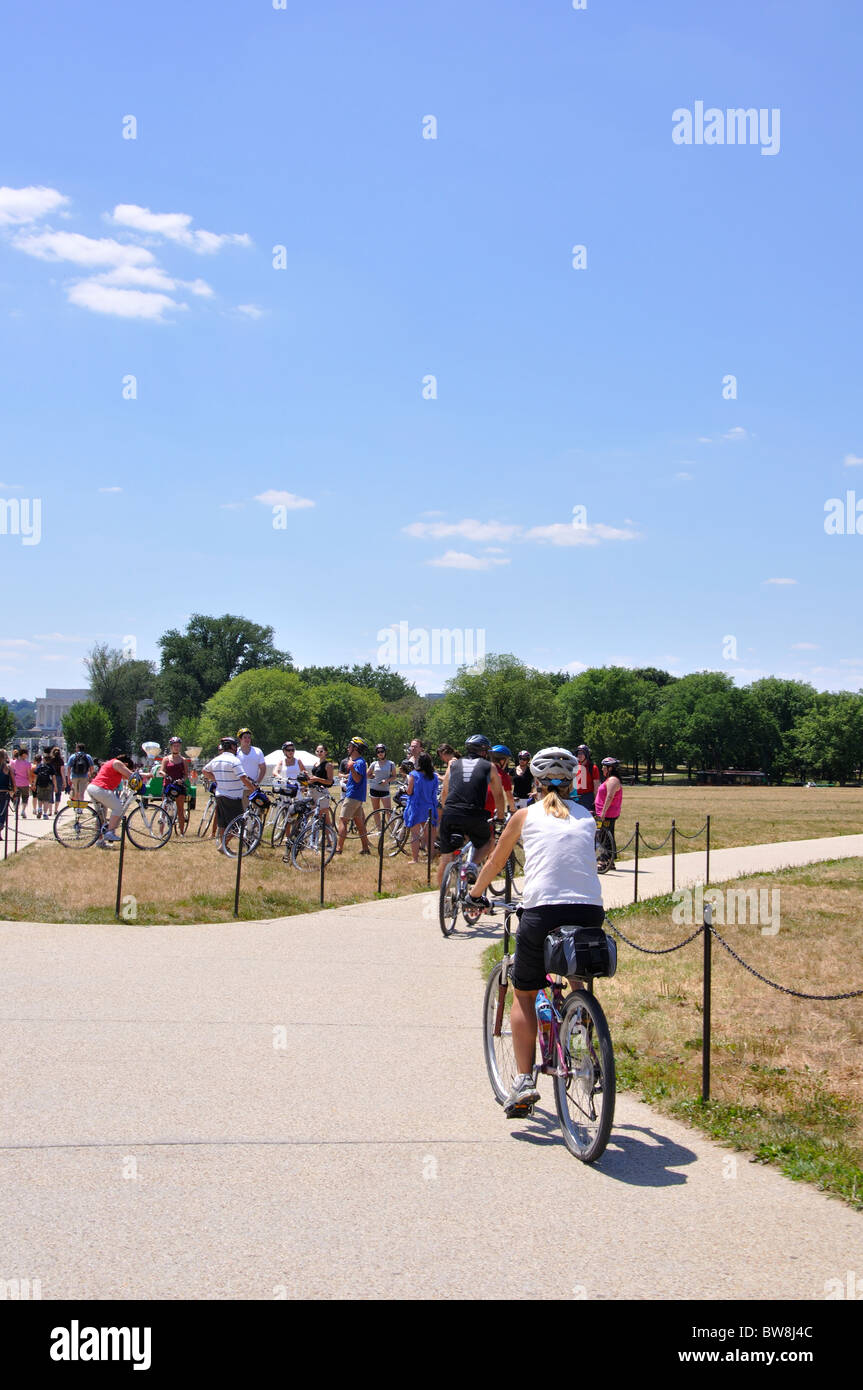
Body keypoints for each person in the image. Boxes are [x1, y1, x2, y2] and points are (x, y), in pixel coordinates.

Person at [467, 747, 605, 1117]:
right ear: (573, 781)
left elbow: (497, 860)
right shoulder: (587, 816)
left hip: (542, 909)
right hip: (590, 909)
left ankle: (524, 1081)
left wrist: (475, 894)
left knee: (524, 993)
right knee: (578, 976)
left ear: (537, 782)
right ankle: (586, 1039)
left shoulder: (524, 816)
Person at [437, 734, 506, 886]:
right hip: (474, 813)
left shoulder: (452, 765)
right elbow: (499, 795)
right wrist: (500, 817)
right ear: (484, 751)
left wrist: (446, 811)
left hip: (450, 813)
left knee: (446, 857)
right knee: (487, 841)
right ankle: (472, 865)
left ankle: (443, 895)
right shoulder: (490, 767)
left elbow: (444, 792)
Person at [200, 736, 257, 855]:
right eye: (235, 746)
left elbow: (205, 771)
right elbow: (243, 778)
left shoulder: (217, 759)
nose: (237, 748)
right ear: (232, 747)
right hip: (233, 796)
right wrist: (253, 789)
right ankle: (223, 845)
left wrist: (216, 779)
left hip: (220, 795)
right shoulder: (235, 761)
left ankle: (224, 847)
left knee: (223, 823)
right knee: (238, 825)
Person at [86, 753, 137, 844]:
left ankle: (99, 840)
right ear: (126, 764)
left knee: (101, 817)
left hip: (94, 788)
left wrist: (146, 774)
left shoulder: (112, 763)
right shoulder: (118, 763)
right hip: (100, 789)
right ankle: (110, 833)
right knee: (118, 808)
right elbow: (130, 775)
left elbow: (128, 776)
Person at [336, 736, 372, 855]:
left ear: (355, 748)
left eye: (350, 746)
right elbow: (356, 779)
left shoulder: (359, 762)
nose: (348, 748)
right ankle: (365, 848)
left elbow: (357, 779)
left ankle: (338, 849)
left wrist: (351, 768)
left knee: (342, 820)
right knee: (359, 823)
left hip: (353, 796)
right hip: (356, 796)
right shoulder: (358, 762)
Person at [402, 752, 439, 864]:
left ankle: (415, 859)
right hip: (429, 807)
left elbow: (409, 791)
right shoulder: (434, 777)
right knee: (430, 835)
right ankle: (431, 858)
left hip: (416, 807)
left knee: (415, 834)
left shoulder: (414, 774)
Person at [594, 756, 623, 865]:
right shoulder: (609, 779)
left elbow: (610, 796)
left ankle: (604, 860)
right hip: (603, 812)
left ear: (610, 768)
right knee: (603, 836)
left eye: (604, 767)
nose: (602, 769)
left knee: (604, 837)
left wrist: (603, 813)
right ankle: (609, 861)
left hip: (607, 814)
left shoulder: (613, 780)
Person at [160, 736, 192, 834]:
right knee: (164, 808)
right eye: (174, 746)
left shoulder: (183, 760)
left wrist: (182, 780)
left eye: (178, 746)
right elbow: (161, 770)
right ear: (171, 747)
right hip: (168, 784)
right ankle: (161, 831)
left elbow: (186, 774)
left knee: (180, 809)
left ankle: (181, 831)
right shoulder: (166, 759)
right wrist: (165, 775)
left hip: (179, 785)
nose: (176, 747)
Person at [368, 743, 396, 832]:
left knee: (388, 811)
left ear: (385, 752)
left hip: (385, 790)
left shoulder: (391, 763)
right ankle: (380, 830)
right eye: (378, 752)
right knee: (376, 811)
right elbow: (367, 774)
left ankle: (393, 831)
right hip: (374, 789)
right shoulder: (374, 763)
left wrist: (387, 781)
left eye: (382, 751)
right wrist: (372, 776)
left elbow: (394, 776)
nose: (380, 753)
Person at [236, 728, 266, 809]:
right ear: (240, 739)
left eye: (249, 737)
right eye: (245, 737)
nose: (247, 739)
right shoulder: (236, 753)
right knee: (243, 814)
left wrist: (257, 782)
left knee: (257, 813)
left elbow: (263, 768)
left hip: (254, 788)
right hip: (240, 789)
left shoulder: (257, 751)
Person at [307, 743, 334, 825]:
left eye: (321, 751)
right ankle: (314, 836)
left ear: (326, 752)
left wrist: (317, 779)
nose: (319, 753)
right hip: (312, 791)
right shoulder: (315, 764)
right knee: (312, 815)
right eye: (317, 751)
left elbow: (330, 782)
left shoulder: (328, 765)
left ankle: (330, 837)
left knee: (325, 818)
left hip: (321, 792)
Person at [487, 745, 516, 820]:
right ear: (502, 760)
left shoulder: (482, 769)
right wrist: (513, 810)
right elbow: (509, 796)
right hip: (488, 810)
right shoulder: (502, 775)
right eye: (507, 760)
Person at [574, 744, 600, 812]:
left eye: (582, 753)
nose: (579, 755)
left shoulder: (593, 768)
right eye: (578, 753)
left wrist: (596, 800)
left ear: (587, 754)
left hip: (587, 798)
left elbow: (596, 786)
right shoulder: (574, 767)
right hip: (575, 797)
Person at [10, 747, 32, 818]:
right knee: (25, 797)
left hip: (16, 782)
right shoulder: (27, 764)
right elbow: (28, 775)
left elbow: (12, 773)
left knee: (16, 797)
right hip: (24, 783)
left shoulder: (13, 762)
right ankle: (23, 811)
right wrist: (31, 783)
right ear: (24, 755)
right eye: (27, 754)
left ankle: (16, 813)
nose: (27, 756)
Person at [33, 754, 56, 819]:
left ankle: (40, 809)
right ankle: (45, 814)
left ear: (44, 759)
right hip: (48, 784)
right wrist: (55, 786)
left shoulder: (40, 766)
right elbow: (53, 777)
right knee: (46, 799)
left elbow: (36, 775)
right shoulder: (51, 766)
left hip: (40, 784)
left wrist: (34, 784)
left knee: (40, 798)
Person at [0, 749, 13, 835]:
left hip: (4, 793)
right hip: (4, 793)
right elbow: (13, 781)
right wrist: (14, 791)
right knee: (2, 813)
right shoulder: (7, 767)